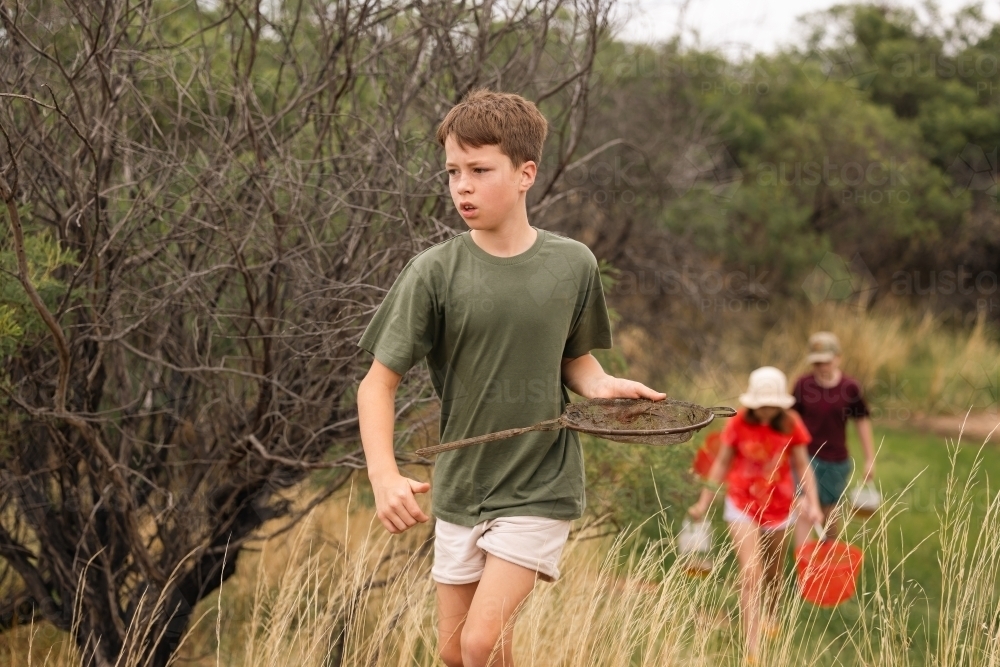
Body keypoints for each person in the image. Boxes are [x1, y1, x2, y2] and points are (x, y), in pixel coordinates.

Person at [356, 89, 665, 667]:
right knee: (455, 653)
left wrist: (601, 387)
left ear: (526, 174)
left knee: (480, 642)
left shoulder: (572, 263)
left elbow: (575, 360)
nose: (462, 186)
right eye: (452, 171)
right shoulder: (433, 272)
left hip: (539, 483)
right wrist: (384, 476)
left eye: (479, 170)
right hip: (461, 486)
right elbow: (377, 383)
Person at [688, 366, 823, 661]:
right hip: (741, 504)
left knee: (774, 571)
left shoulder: (791, 423)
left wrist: (812, 502)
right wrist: (703, 501)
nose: (765, 413)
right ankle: (752, 648)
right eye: (760, 407)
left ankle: (771, 615)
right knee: (751, 572)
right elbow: (721, 463)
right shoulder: (737, 423)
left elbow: (803, 466)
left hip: (780, 506)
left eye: (771, 406)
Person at [792, 332, 875, 548]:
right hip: (806, 456)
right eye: (817, 362)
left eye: (826, 362)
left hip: (836, 460)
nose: (822, 367)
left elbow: (862, 421)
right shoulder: (803, 385)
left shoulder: (850, 387)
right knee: (805, 507)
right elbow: (791, 418)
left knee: (830, 511)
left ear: (838, 358)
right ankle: (803, 565)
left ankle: (826, 557)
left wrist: (869, 458)